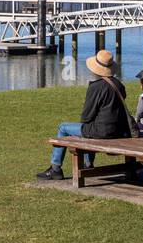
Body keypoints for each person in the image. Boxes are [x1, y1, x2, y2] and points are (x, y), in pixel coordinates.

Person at [37, 49, 131, 181]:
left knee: (63, 127)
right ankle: (88, 164)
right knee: (89, 127)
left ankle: (55, 168)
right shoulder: (119, 85)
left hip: (102, 132)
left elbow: (86, 117)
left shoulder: (96, 87)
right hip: (119, 130)